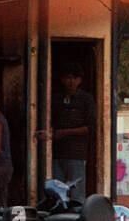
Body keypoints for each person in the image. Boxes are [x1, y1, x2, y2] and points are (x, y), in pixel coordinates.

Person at [40, 62, 95, 202]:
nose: (70, 82)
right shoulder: (56, 99)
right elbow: (51, 122)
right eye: (67, 78)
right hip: (57, 154)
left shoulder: (86, 100)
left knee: (76, 195)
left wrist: (64, 133)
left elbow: (90, 128)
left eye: (74, 78)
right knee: (57, 193)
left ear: (79, 80)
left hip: (76, 155)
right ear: (62, 80)